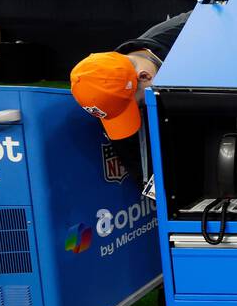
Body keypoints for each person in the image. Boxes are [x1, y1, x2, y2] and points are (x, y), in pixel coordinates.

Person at [69, 11, 193, 189]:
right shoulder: (110, 92)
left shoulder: (195, 30)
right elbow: (139, 168)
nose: (137, 113)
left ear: (144, 76)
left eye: (137, 105)